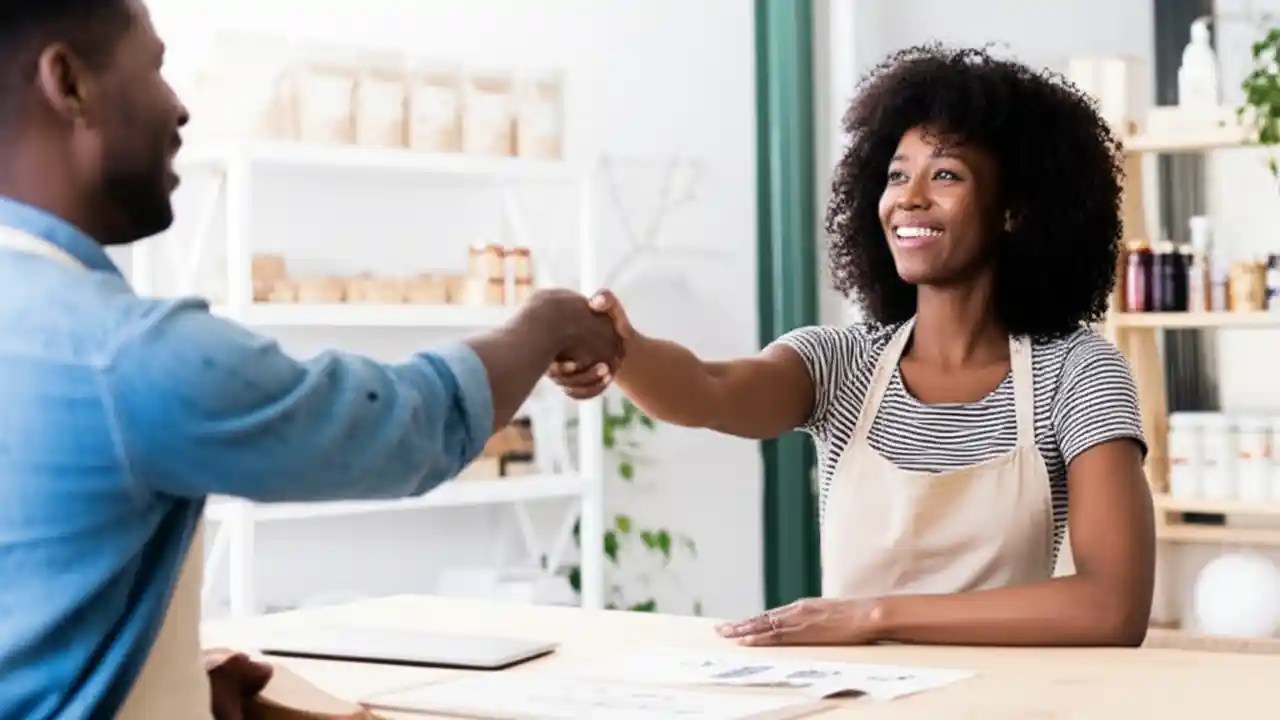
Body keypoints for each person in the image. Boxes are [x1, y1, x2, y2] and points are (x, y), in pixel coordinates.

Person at [0, 1, 620, 718]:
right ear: (68, 83)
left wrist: (169, 684)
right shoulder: (127, 357)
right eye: (156, 68)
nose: (179, 107)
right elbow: (410, 424)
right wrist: (548, 324)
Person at [551, 45, 1155, 647]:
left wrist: (873, 616)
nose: (909, 197)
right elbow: (708, 389)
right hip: (852, 692)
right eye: (897, 175)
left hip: (1006, 694)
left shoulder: (1076, 372)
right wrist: (622, 350)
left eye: (946, 175)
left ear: (1014, 210)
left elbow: (1112, 606)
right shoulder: (840, 364)